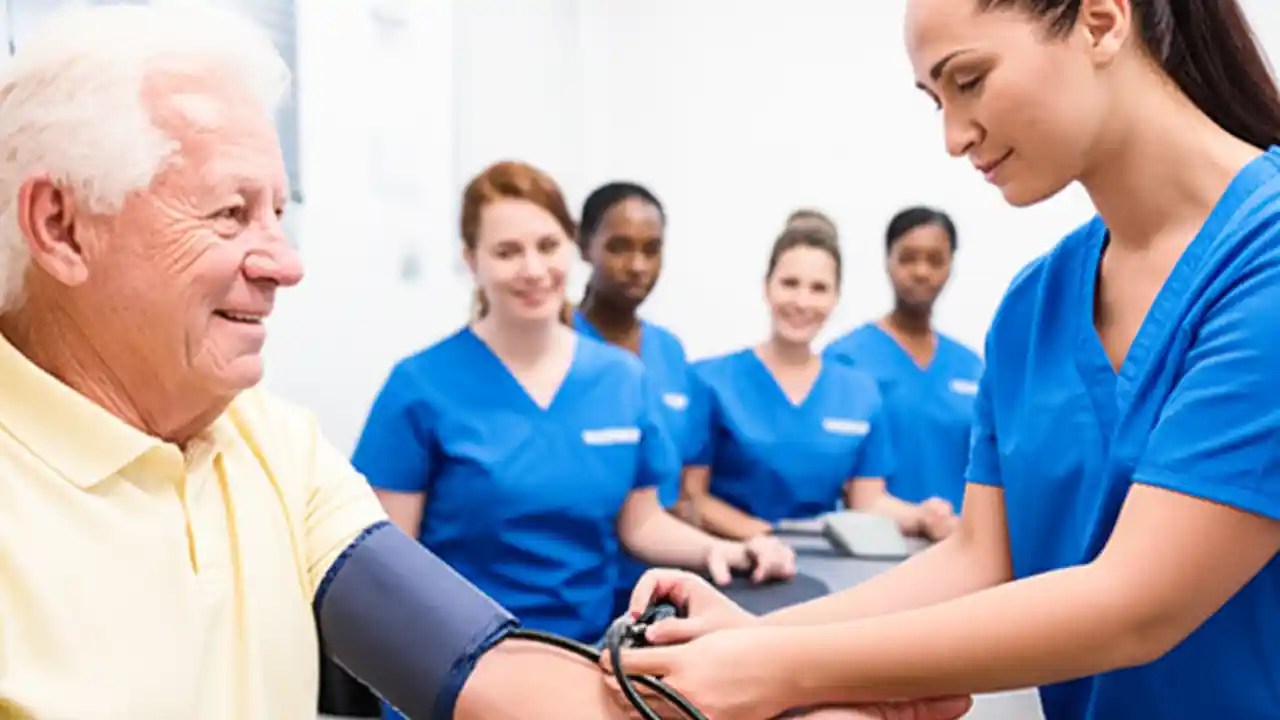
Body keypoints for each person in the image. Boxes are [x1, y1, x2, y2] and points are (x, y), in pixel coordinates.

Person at [0, 6, 978, 720]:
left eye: (280, 213)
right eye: (228, 214)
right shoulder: (419, 390)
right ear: (62, 226)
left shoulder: (270, 445)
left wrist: (780, 695)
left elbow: (479, 666)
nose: (285, 263)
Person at [608, 1, 1280, 719]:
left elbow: (1137, 604)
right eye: (936, 100)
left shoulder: (1262, 261)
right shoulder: (1032, 308)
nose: (955, 138)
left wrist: (775, 668)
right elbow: (980, 558)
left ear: (1101, 20)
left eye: (969, 81)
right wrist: (749, 636)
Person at [351, 160, 796, 664]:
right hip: (459, 661)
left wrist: (721, 550)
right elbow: (391, 566)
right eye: (507, 252)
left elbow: (641, 524)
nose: (533, 270)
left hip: (590, 657)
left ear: (571, 246)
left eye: (547, 245)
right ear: (472, 261)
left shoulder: (621, 379)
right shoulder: (421, 386)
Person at [680, 229, 943, 540]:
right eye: (789, 284)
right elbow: (690, 498)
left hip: (821, 563)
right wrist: (766, 538)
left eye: (819, 288)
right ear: (766, 287)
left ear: (835, 299)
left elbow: (867, 501)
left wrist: (921, 517)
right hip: (732, 558)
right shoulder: (710, 381)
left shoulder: (859, 393)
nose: (802, 302)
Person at [573, 181, 709, 618]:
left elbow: (681, 474)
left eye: (652, 250)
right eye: (619, 247)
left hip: (663, 583)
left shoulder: (669, 350)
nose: (637, 265)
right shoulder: (558, 349)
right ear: (583, 245)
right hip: (582, 588)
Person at [824, 207, 981, 519]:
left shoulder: (972, 368)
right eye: (908, 258)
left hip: (955, 537)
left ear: (951, 265)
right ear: (888, 260)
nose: (921, 271)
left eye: (935, 260)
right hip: (870, 540)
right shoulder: (846, 359)